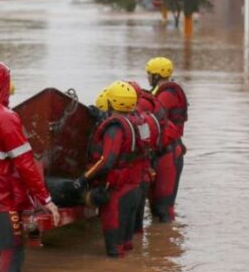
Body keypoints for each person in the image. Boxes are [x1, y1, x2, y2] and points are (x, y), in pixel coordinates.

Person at [0, 59, 59, 272]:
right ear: (2, 83)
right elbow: (26, 164)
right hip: (1, 199)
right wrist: (45, 199)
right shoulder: (5, 117)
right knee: (12, 254)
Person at [75, 81, 145, 258]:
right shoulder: (135, 122)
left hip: (118, 194)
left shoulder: (114, 128)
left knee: (114, 252)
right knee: (127, 245)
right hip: (134, 189)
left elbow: (106, 161)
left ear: (112, 102)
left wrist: (83, 178)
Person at [145, 57, 188, 222]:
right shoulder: (162, 91)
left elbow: (152, 115)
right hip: (165, 150)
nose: (147, 77)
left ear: (156, 75)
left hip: (168, 152)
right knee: (156, 206)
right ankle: (161, 240)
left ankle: (167, 240)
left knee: (163, 208)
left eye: (149, 74)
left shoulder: (167, 95)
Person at [127, 80, 162, 236]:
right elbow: (147, 146)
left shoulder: (131, 122)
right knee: (137, 227)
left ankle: (135, 255)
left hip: (133, 179)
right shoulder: (144, 121)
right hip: (143, 176)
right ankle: (139, 256)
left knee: (128, 228)